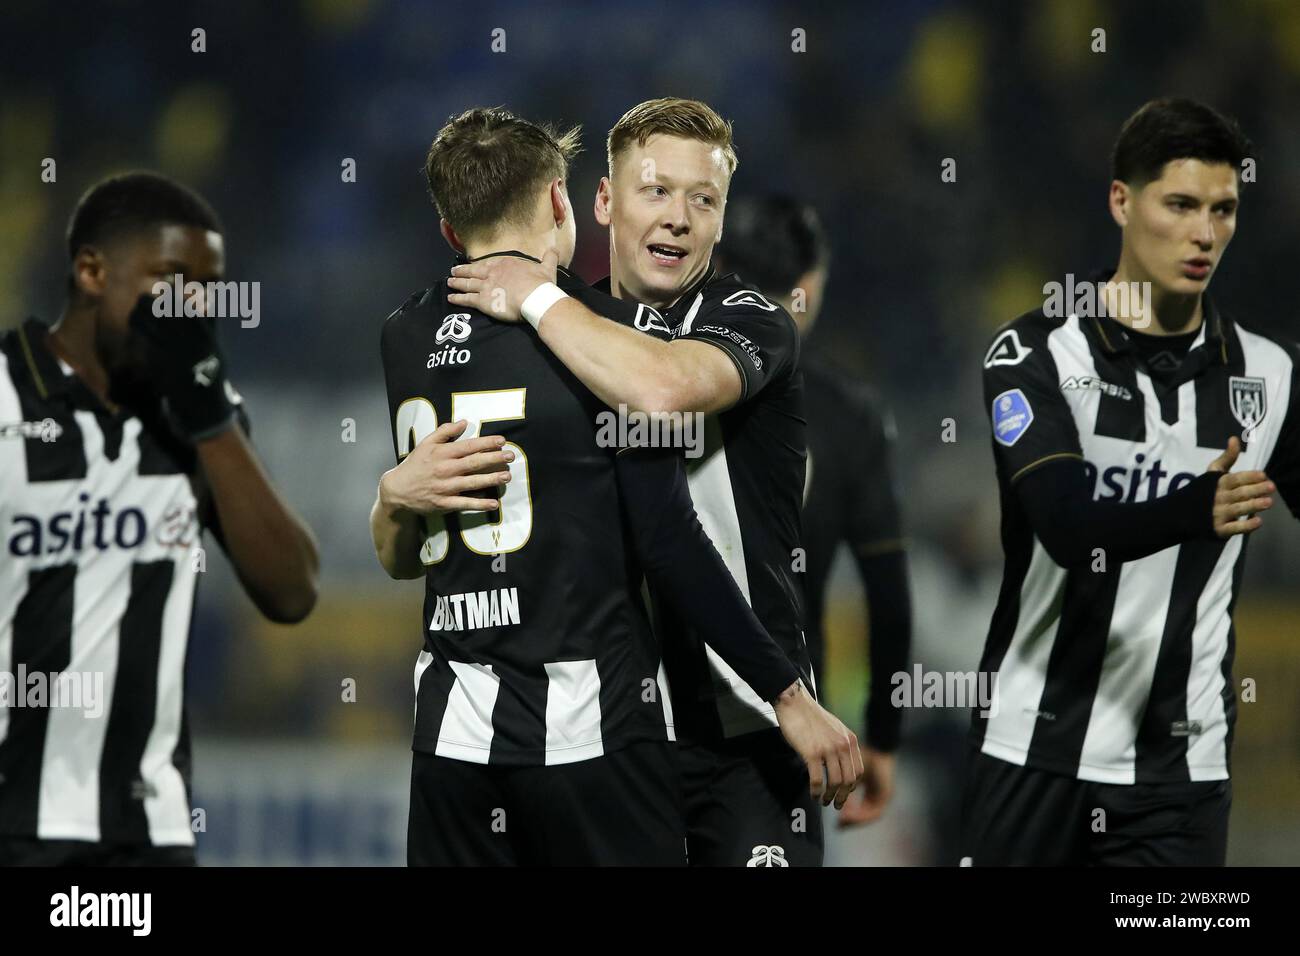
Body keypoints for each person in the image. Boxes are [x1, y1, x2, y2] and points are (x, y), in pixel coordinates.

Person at [371, 107, 856, 866]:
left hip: (744, 725)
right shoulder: (561, 329)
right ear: (596, 202)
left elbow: (661, 386)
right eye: (657, 191)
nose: (679, 218)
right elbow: (425, 550)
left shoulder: (747, 316)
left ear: (724, 220)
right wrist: (393, 496)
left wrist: (533, 293)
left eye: (704, 200)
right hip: (615, 725)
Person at [963, 97, 1299, 865]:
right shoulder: (1035, 352)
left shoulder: (1274, 375)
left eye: (1224, 209)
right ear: (1122, 200)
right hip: (1031, 752)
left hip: (1177, 776)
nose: (1204, 233)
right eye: (1180, 204)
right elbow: (1068, 526)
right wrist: (1195, 506)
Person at [0, 171, 319, 865]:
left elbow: (291, 591)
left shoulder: (201, 416)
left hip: (152, 834)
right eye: (174, 281)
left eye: (208, 289)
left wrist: (209, 418)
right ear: (91, 271)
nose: (193, 309)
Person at [714, 194, 913, 829]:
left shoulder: (648, 382)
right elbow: (889, 593)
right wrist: (882, 735)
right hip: (790, 721)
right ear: (808, 286)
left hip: (655, 715)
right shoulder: (850, 413)